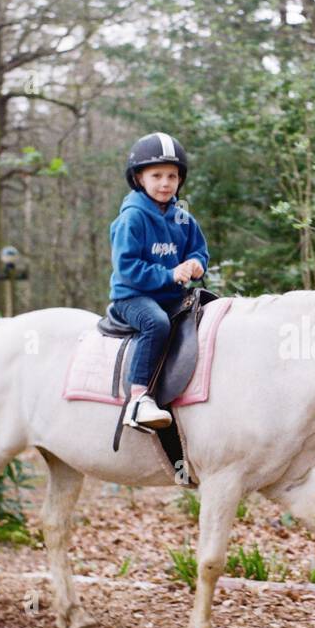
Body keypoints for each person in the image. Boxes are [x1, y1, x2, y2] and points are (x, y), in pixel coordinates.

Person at [107, 132, 209, 432]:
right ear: (139, 178)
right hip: (133, 297)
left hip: (172, 296)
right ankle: (139, 398)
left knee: (210, 314)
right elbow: (126, 267)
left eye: (172, 176)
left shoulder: (182, 217)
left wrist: (196, 264)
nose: (166, 183)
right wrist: (168, 275)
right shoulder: (132, 218)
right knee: (157, 323)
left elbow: (198, 249)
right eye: (157, 175)